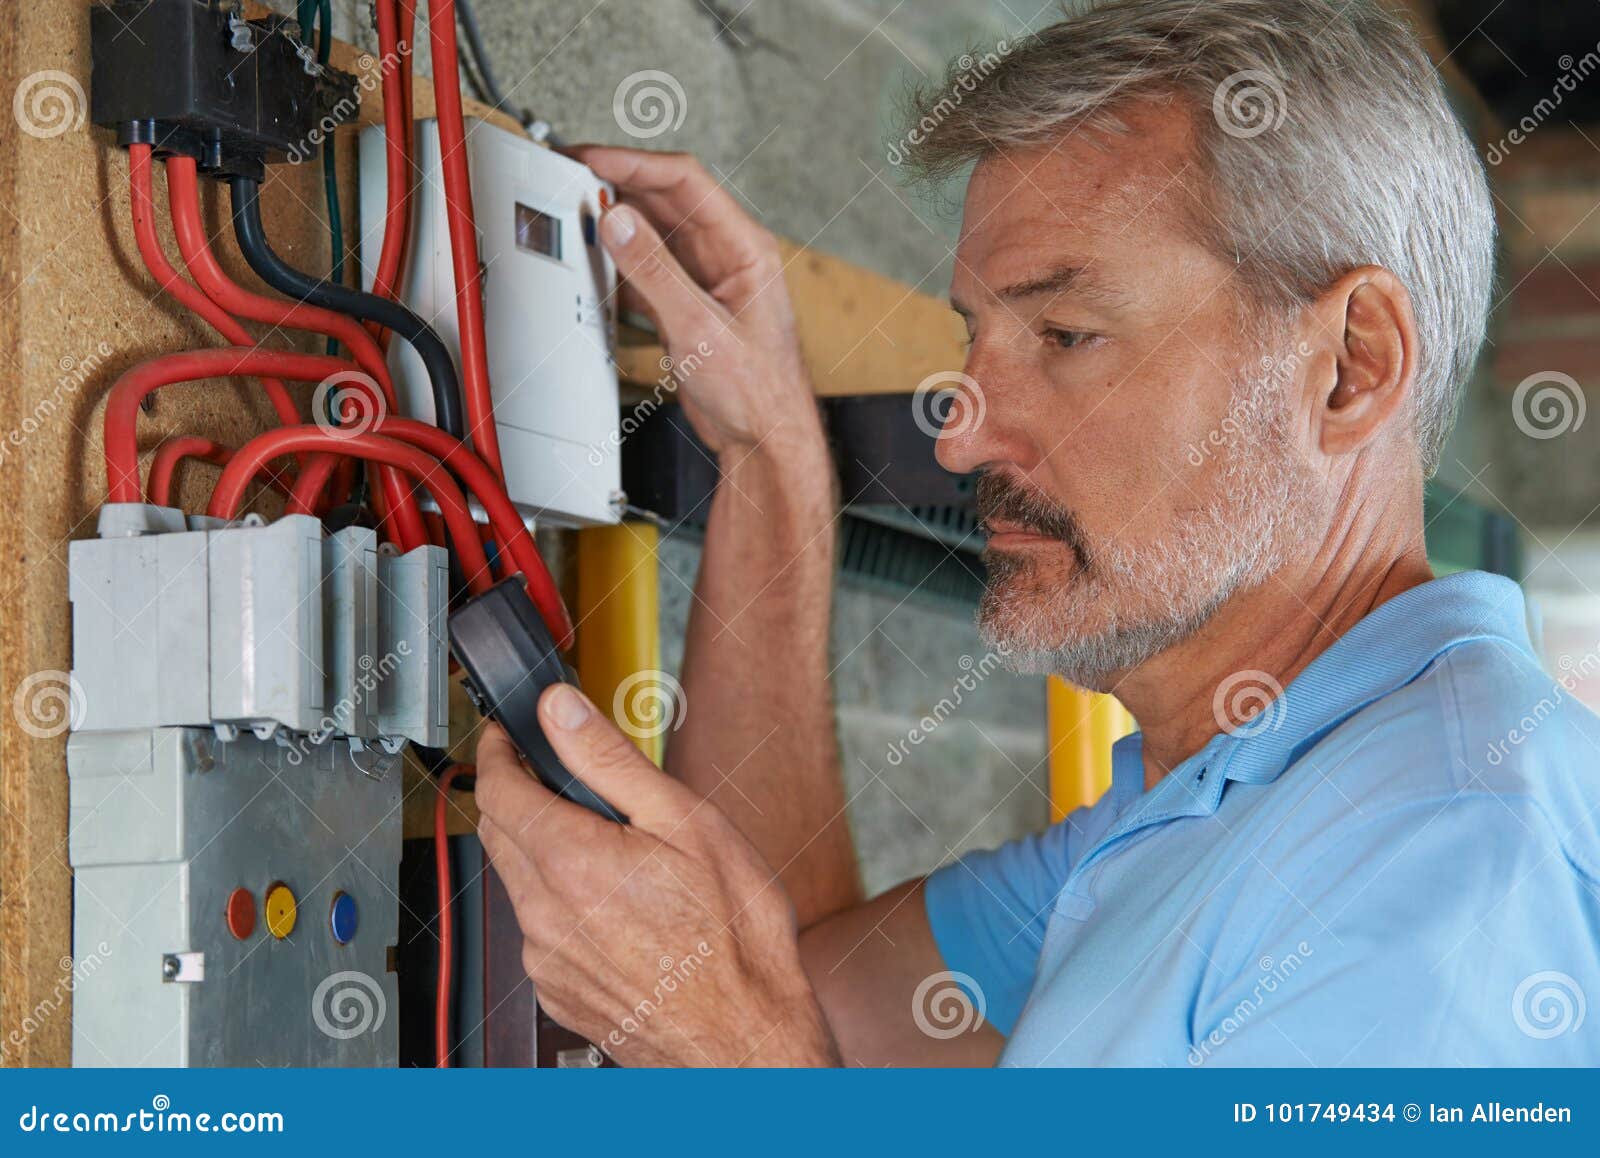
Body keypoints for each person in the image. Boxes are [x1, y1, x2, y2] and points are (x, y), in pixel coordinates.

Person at [472, 0, 1600, 1066]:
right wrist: (772, 464)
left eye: (1065, 334)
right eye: (978, 339)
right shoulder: (1216, 792)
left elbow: (760, 1038)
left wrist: (715, 1047)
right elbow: (815, 1008)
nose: (959, 438)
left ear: (1349, 368)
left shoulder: (1443, 866)